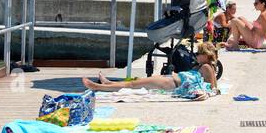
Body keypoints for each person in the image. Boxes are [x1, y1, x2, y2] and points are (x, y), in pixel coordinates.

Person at [82, 43, 220, 100]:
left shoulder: (206, 67)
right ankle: (108, 82)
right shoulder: (206, 67)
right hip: (171, 80)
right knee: (136, 82)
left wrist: (204, 93)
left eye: (199, 53)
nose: (196, 54)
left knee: (134, 84)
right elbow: (214, 87)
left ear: (206, 55)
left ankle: (98, 86)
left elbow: (214, 89)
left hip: (172, 82)